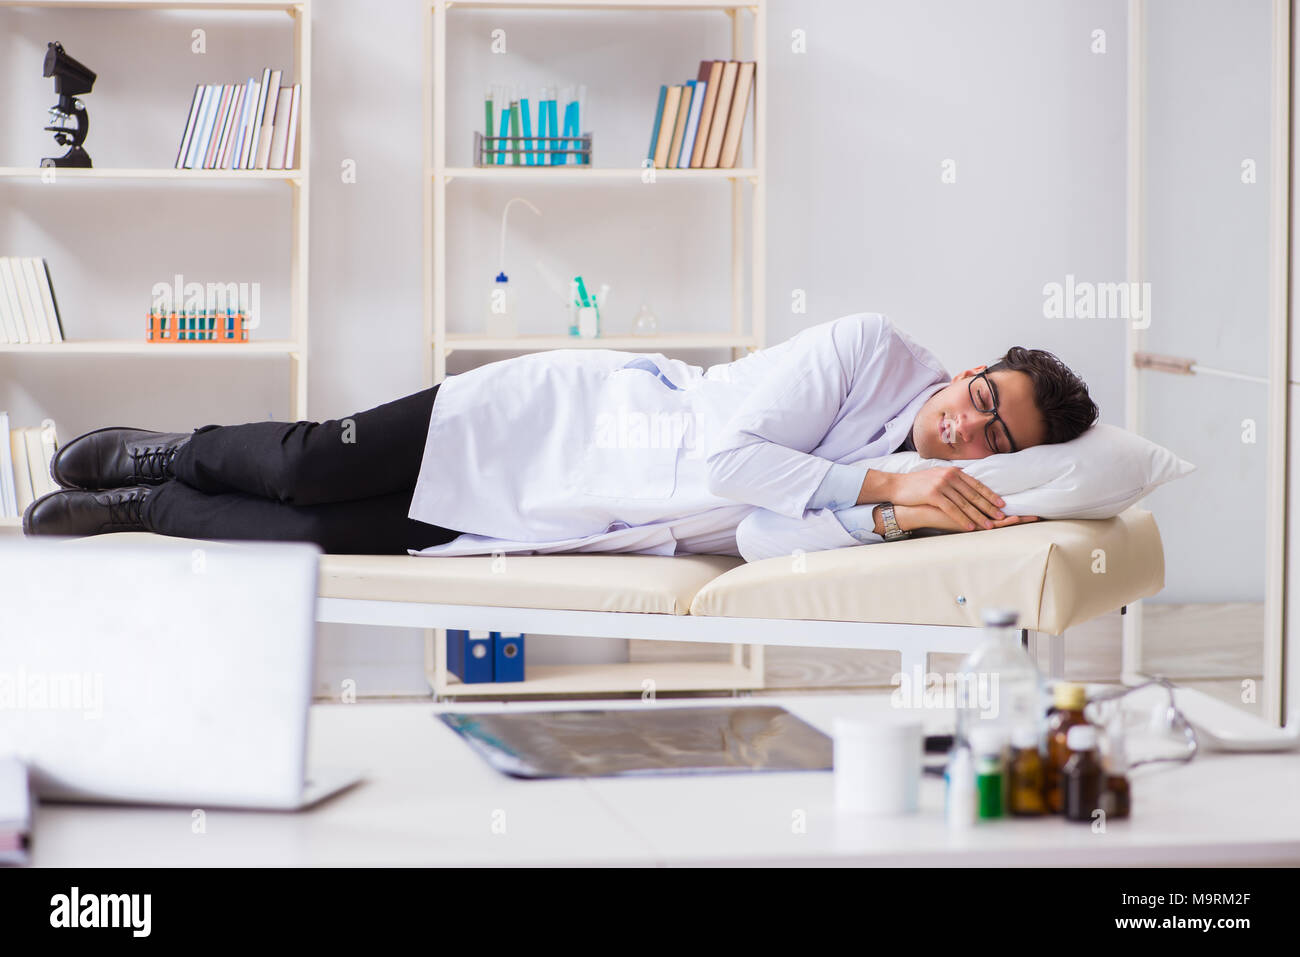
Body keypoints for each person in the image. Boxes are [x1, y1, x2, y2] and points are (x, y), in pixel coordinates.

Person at [23, 313, 1098, 561]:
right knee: (309, 465)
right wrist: (882, 487)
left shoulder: (919, 487)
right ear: (967, 371)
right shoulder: (865, 350)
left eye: (992, 443)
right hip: (558, 420)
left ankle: (146, 507)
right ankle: (168, 450)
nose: (966, 431)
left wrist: (887, 513)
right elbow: (727, 462)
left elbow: (770, 542)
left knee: (316, 534)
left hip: (580, 512)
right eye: (982, 399)